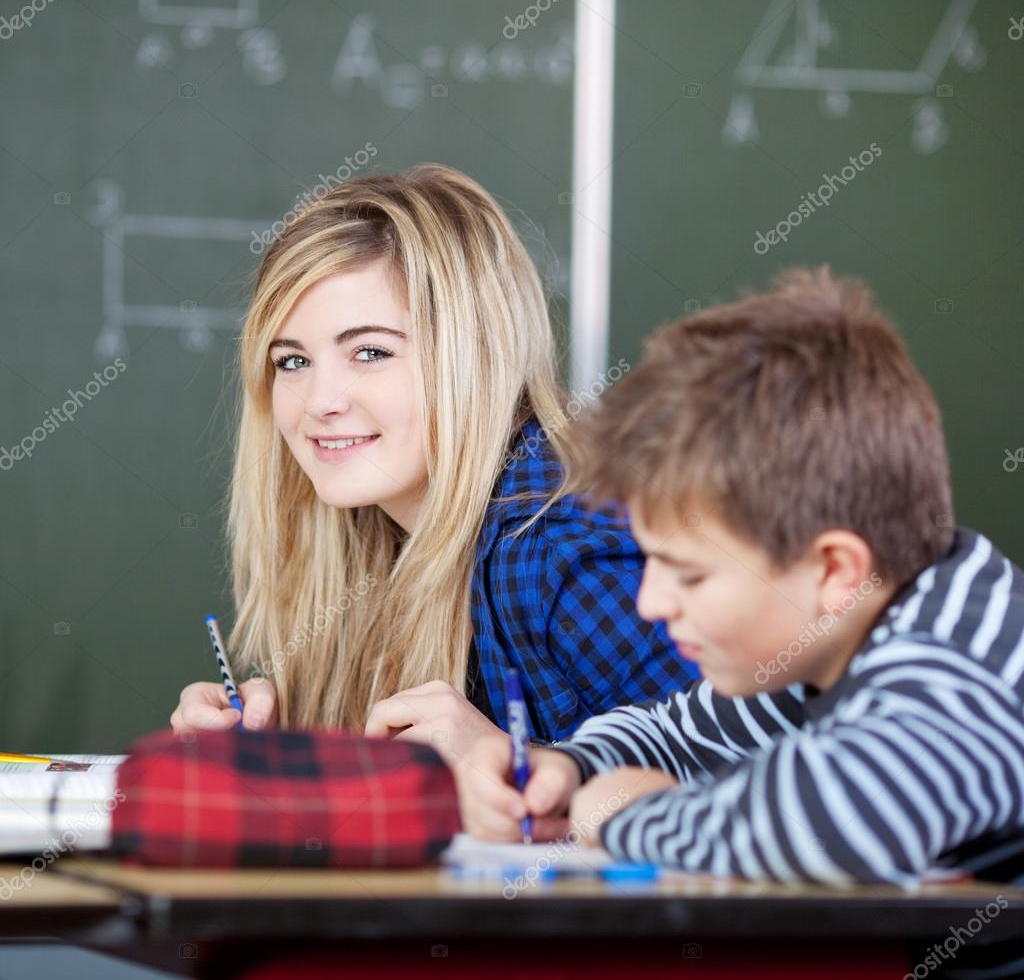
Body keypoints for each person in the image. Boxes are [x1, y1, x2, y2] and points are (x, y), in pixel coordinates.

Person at [459, 266, 1024, 907]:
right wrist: (568, 769)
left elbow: (836, 827)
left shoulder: (956, 660)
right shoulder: (830, 640)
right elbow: (678, 734)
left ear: (834, 571)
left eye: (689, 573)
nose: (650, 601)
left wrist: (626, 816)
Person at [169, 164, 698, 758]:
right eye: (292, 361)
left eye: (370, 352)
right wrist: (280, 750)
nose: (318, 402)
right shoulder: (372, 532)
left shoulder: (560, 550)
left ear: (474, 356)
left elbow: (750, 781)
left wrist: (517, 762)